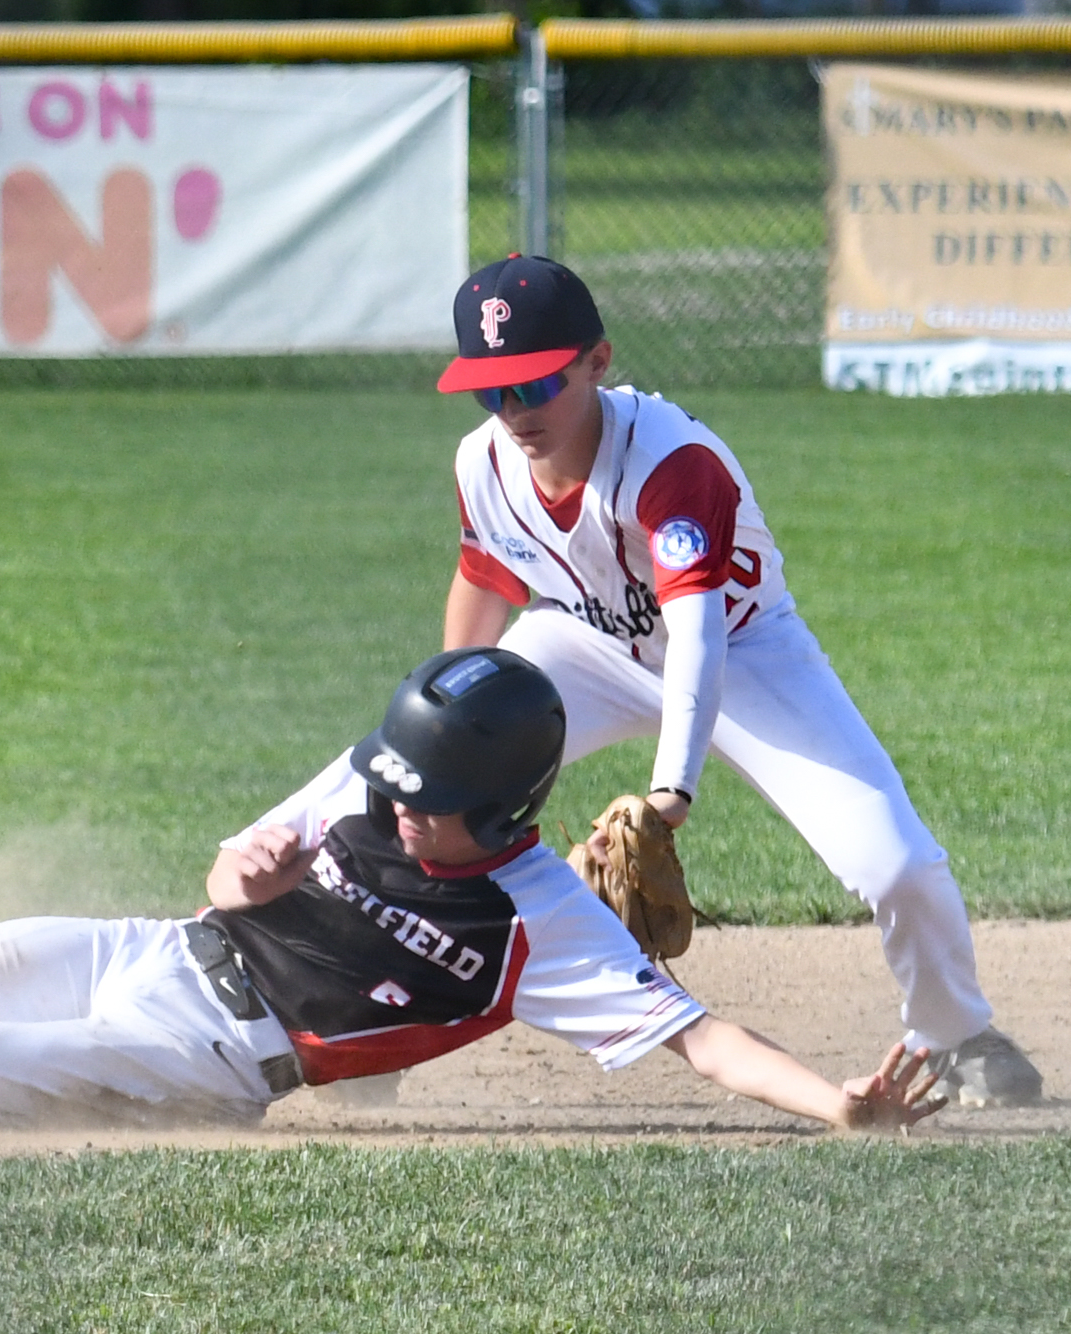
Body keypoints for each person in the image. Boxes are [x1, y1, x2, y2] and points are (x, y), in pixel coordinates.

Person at [0, 649, 943, 1133]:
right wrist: (251, 861)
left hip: (210, 1060)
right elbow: (226, 865)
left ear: (499, 810)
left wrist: (837, 1102)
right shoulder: (380, 783)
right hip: (145, 949)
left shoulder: (541, 919)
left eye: (419, 798)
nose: (387, 800)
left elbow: (696, 1033)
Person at [433, 254, 1040, 1107]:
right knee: (406, 777)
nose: (513, 411)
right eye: (491, 392)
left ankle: (954, 1030)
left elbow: (698, 634)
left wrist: (670, 792)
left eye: (535, 385)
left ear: (599, 363)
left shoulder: (672, 462)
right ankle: (336, 985)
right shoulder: (483, 462)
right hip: (586, 645)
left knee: (897, 864)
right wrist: (449, 728)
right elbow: (488, 575)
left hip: (744, 650)